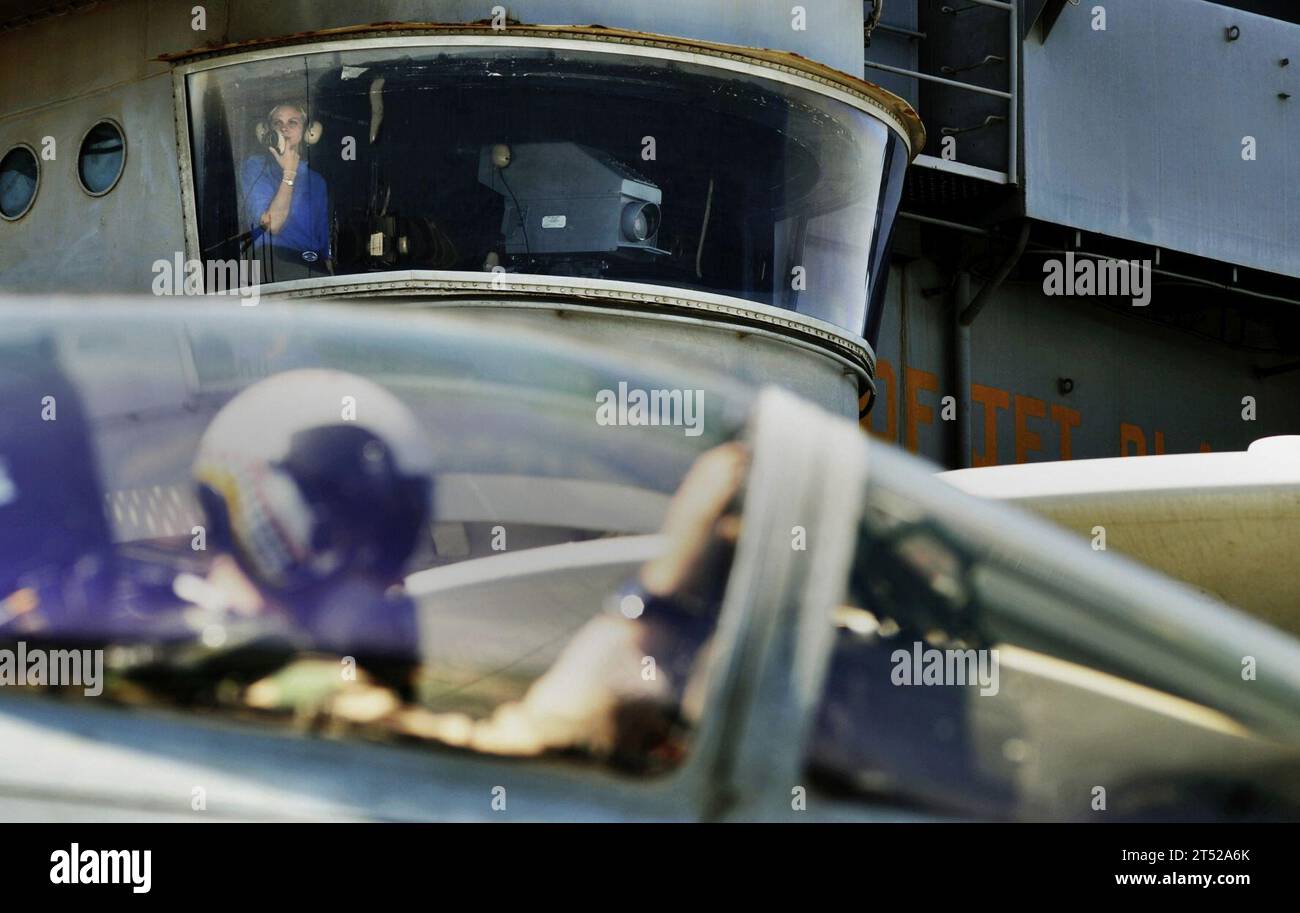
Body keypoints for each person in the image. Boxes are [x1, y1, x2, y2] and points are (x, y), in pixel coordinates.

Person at [241, 102, 330, 281]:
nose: (284, 128)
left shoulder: (317, 181)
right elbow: (272, 225)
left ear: (307, 132)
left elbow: (324, 242)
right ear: (266, 132)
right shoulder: (255, 166)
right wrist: (289, 173)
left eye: (293, 122)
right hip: (272, 263)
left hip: (312, 266)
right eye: (277, 123)